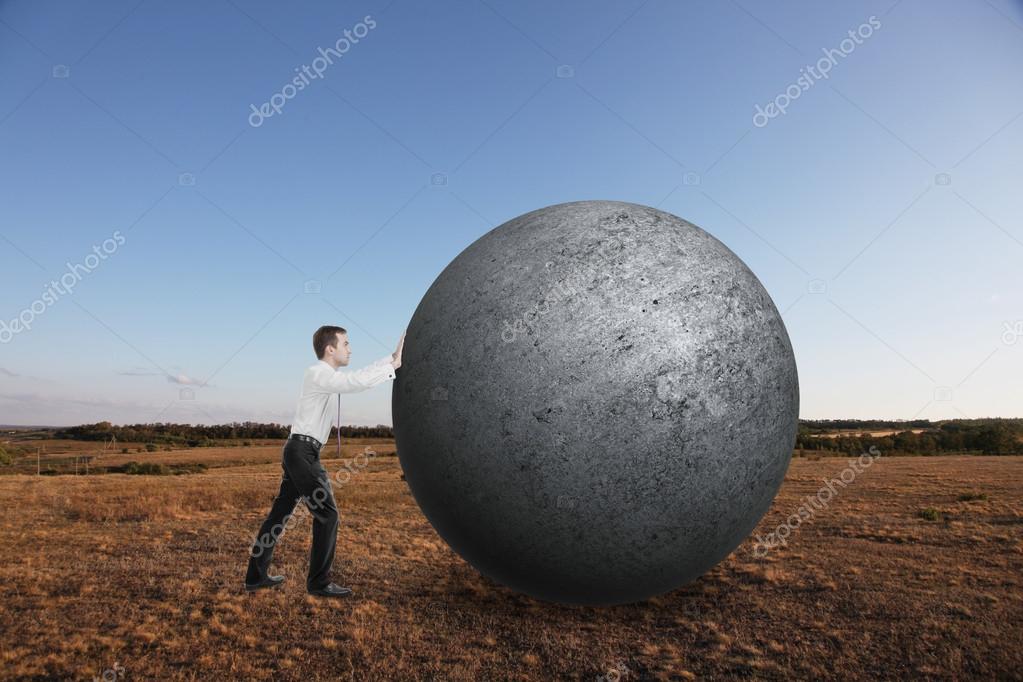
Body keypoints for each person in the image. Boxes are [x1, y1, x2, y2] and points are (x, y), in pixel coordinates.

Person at [244, 325, 404, 597]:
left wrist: (390, 359)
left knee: (279, 515)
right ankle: (319, 583)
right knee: (327, 515)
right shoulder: (317, 373)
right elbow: (354, 383)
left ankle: (255, 577)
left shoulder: (326, 376)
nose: (350, 348)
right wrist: (392, 366)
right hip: (302, 453)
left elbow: (354, 377)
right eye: (346, 343)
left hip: (300, 451)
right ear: (330, 349)